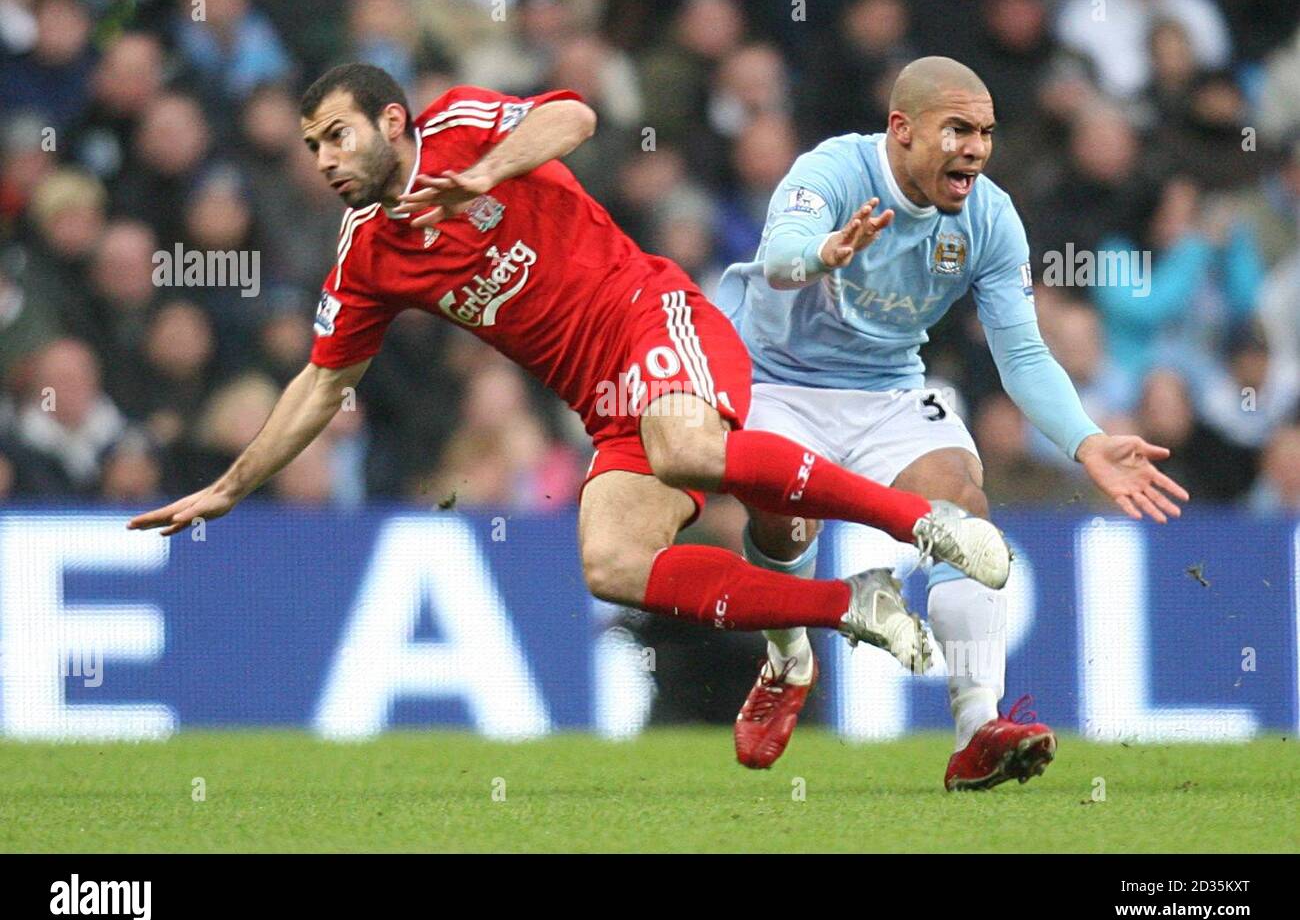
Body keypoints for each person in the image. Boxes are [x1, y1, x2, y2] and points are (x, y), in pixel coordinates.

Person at [129, 63, 1013, 696]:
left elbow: (576, 118)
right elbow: (322, 384)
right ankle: (849, 603)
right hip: (603, 401)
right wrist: (229, 486)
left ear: (393, 123)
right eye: (313, 145)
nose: (322, 158)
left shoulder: (462, 124)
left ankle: (921, 522)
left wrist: (481, 173)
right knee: (612, 562)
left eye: (336, 135)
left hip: (652, 314)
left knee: (687, 446)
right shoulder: (368, 257)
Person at [716, 56, 1189, 790]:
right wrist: (824, 251)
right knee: (782, 516)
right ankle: (787, 659)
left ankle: (977, 728)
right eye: (958, 129)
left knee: (962, 504)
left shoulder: (990, 218)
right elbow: (777, 259)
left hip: (887, 390)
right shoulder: (833, 170)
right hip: (779, 378)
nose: (975, 147)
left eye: (987, 132)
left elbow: (1023, 352)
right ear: (902, 129)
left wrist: (1086, 439)